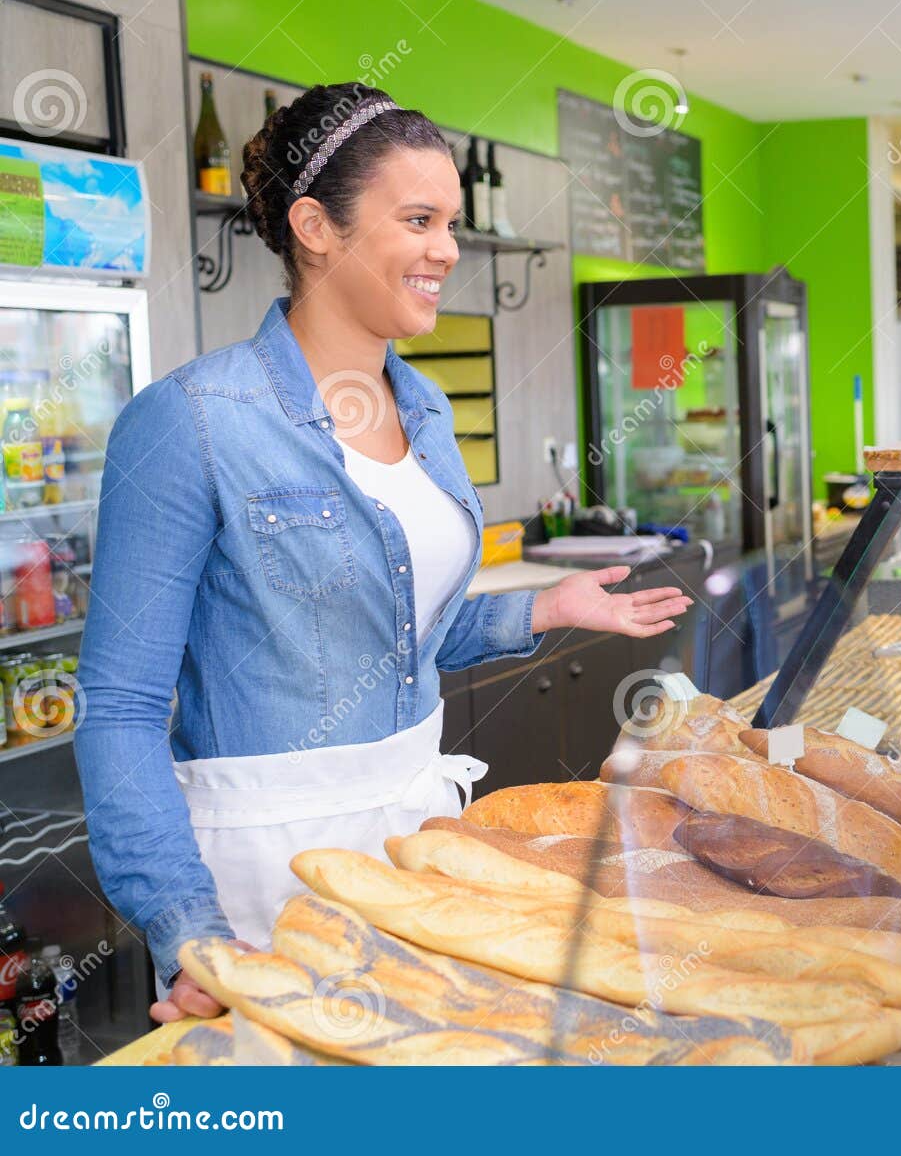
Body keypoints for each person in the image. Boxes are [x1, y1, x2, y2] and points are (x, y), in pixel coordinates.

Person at [75, 83, 692, 1024]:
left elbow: (401, 636)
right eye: (418, 219)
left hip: (417, 844)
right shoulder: (191, 421)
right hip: (261, 877)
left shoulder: (429, 412)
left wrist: (547, 609)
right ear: (316, 226)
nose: (447, 248)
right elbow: (117, 709)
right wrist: (188, 925)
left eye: (451, 220)